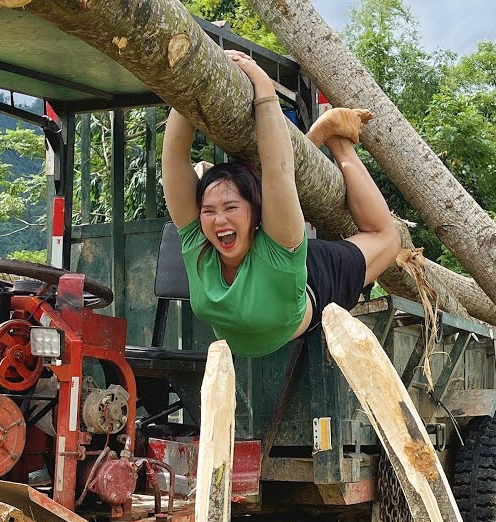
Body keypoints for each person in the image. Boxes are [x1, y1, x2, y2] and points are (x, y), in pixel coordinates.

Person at [161, 49, 400, 358]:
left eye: (230, 207)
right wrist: (194, 71)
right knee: (276, 193)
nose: (218, 219)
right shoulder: (199, 244)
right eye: (209, 211)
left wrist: (262, 83)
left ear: (255, 214)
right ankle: (317, 136)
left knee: (387, 237)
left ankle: (340, 143)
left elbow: (278, 168)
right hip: (276, 250)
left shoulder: (278, 242)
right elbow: (173, 157)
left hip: (311, 278)